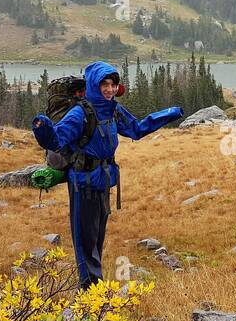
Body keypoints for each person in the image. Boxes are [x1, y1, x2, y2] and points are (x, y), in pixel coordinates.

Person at [31, 60, 182, 290]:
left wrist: (168, 115)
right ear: (94, 85)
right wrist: (43, 128)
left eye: (113, 84)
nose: (110, 89)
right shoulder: (80, 114)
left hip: (103, 182)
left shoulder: (113, 110)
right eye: (105, 85)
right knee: (85, 241)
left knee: (96, 239)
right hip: (83, 183)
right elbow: (58, 138)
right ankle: (89, 295)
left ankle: (94, 290)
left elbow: (137, 129)